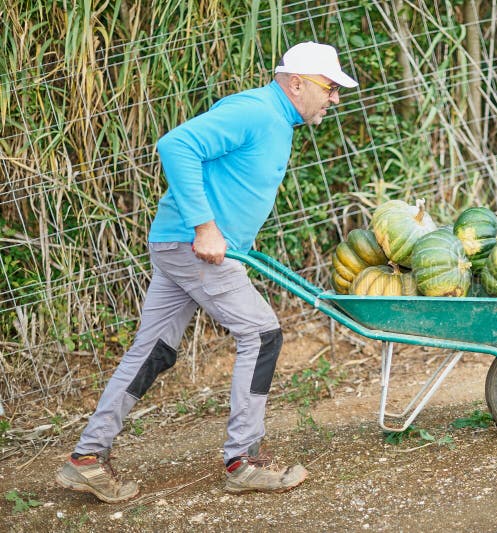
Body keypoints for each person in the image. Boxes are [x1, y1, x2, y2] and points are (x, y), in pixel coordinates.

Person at [55, 41, 358, 502]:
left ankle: (87, 459)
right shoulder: (255, 111)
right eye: (330, 87)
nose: (334, 98)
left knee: (153, 349)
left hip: (180, 245)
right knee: (262, 334)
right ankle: (244, 461)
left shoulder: (279, 120)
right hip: (192, 246)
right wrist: (206, 227)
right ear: (296, 83)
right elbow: (176, 145)